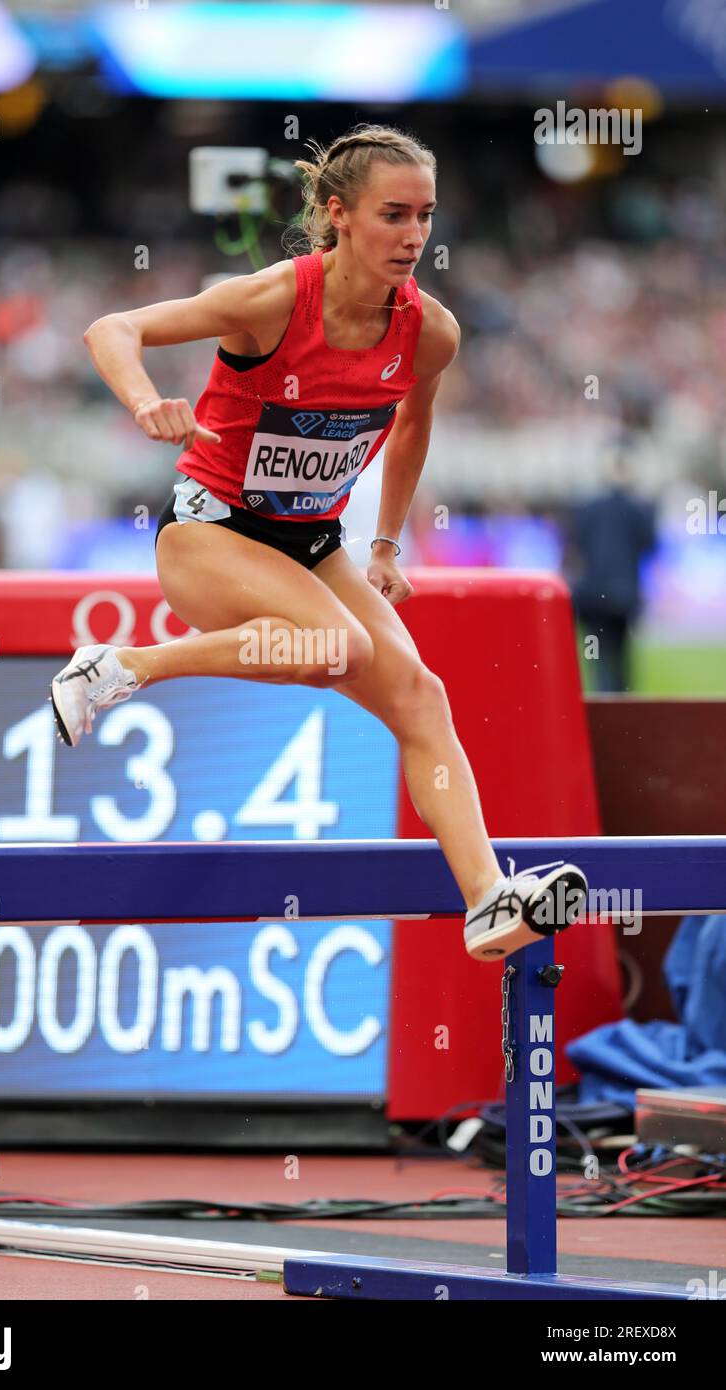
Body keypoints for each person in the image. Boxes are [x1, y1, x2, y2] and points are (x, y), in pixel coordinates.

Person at [50, 123, 587, 962]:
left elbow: (411, 430)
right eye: (393, 215)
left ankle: (485, 900)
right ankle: (120, 667)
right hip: (210, 533)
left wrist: (385, 543)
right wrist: (146, 400)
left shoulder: (430, 332)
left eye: (426, 217)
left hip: (313, 540)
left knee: (419, 695)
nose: (414, 237)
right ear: (337, 215)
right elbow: (111, 328)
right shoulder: (271, 299)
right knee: (336, 643)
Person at [565, 454, 658, 692]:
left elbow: (574, 545)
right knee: (621, 656)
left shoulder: (586, 507)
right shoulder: (638, 507)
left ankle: (602, 704)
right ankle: (621, 709)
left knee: (597, 655)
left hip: (592, 593)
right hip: (623, 593)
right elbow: (650, 545)